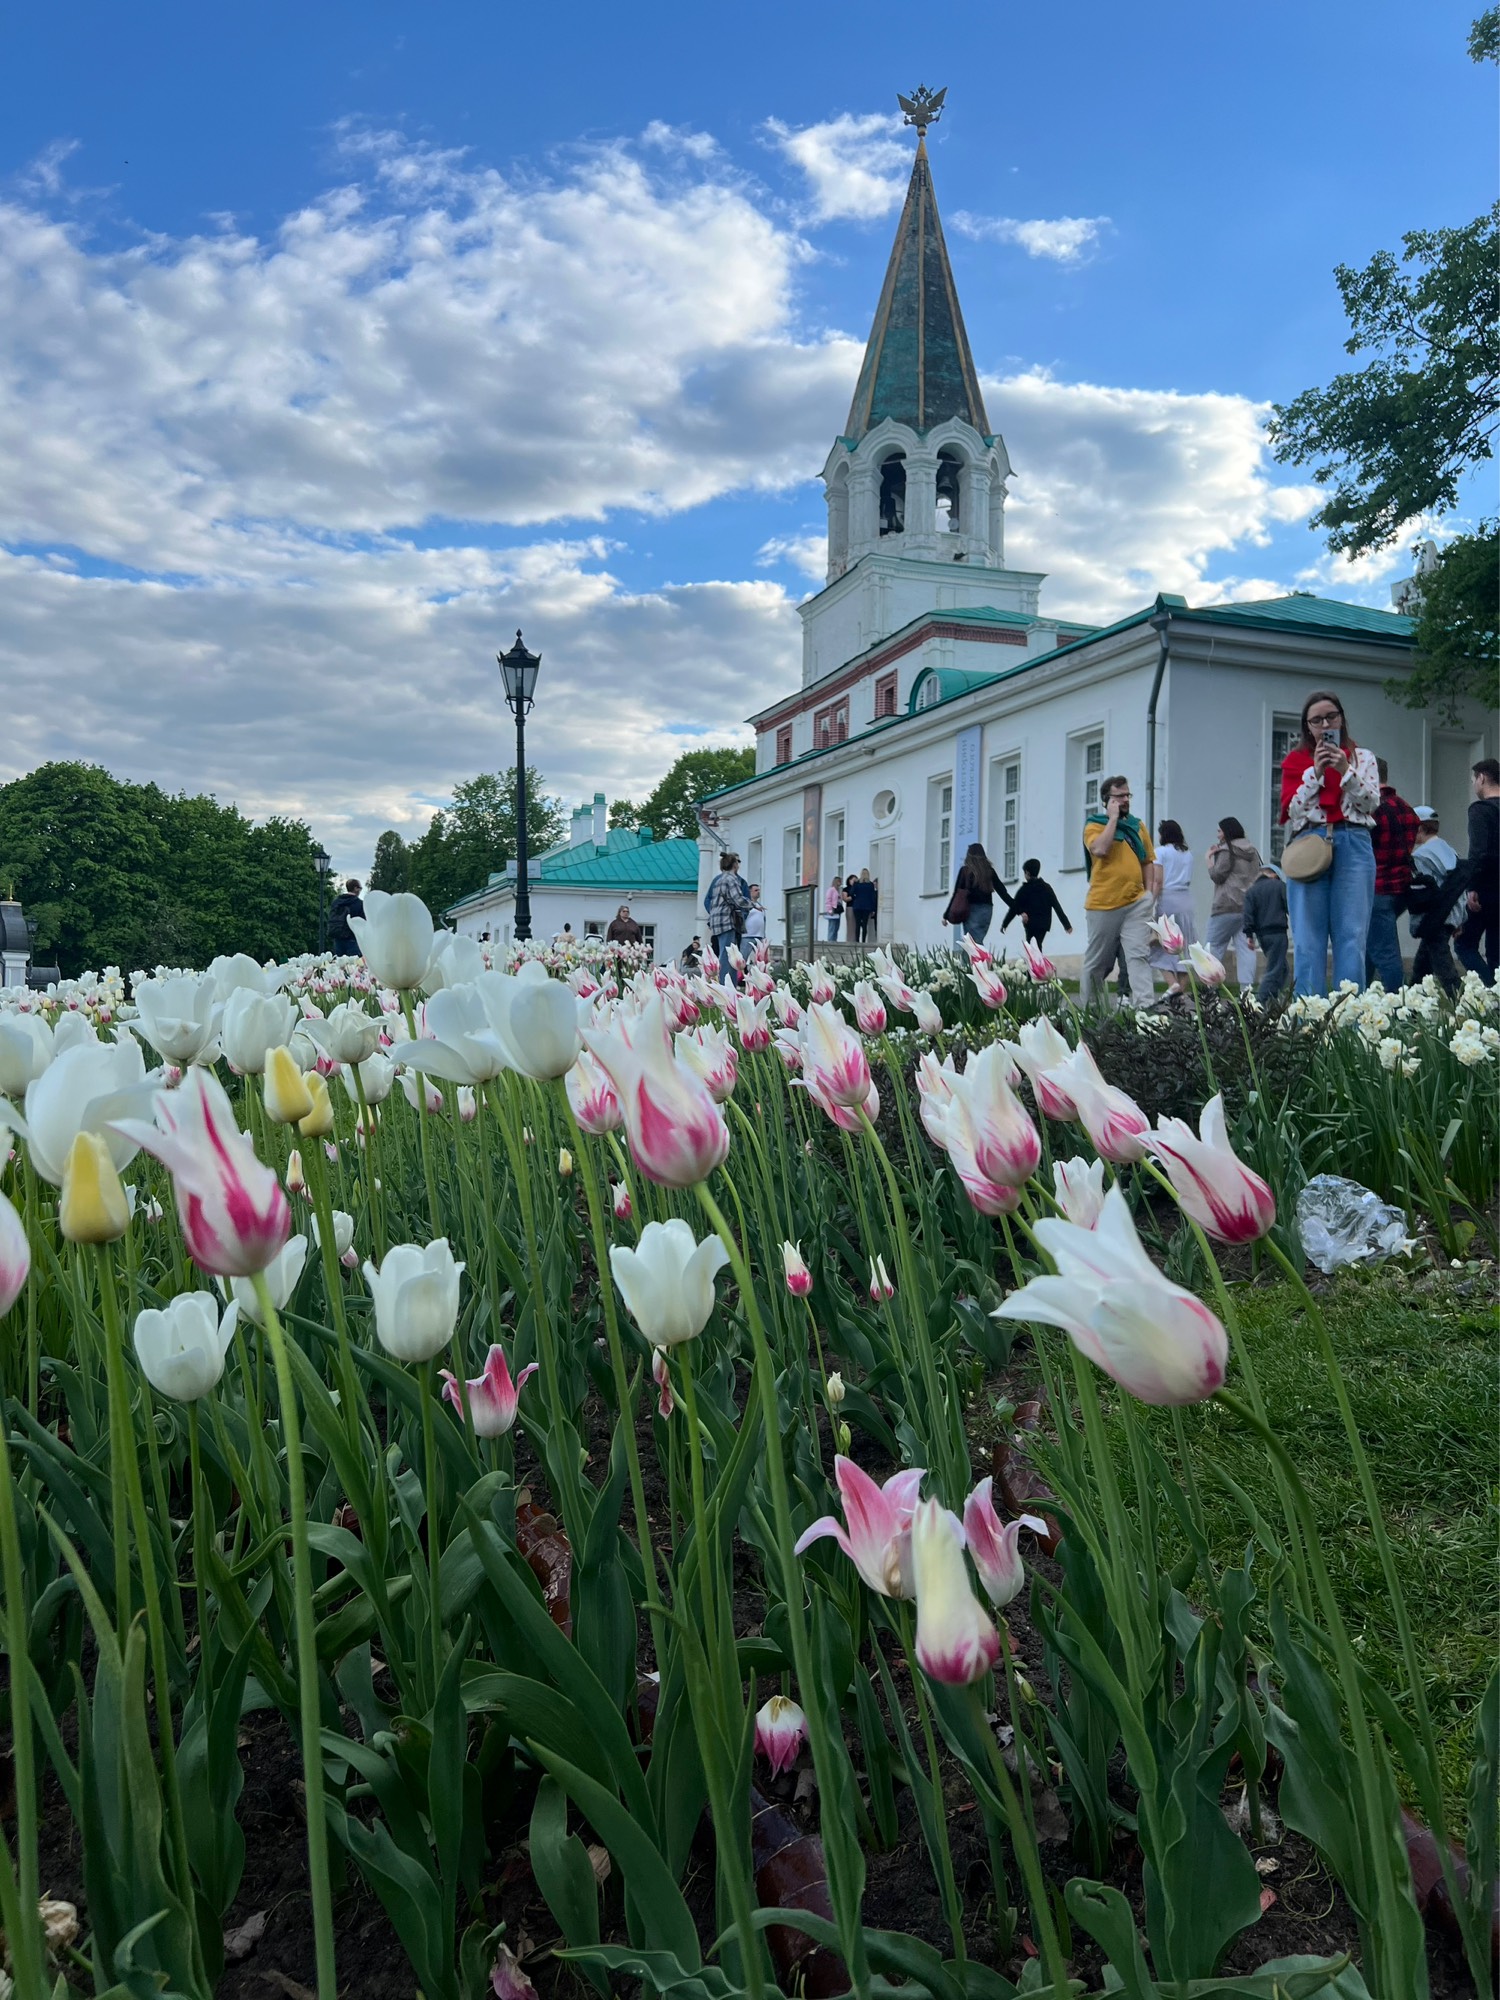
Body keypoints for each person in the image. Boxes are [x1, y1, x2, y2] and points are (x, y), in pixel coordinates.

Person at [1279, 691, 1379, 997]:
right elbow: (1292, 812)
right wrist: (1316, 773)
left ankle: (1347, 1024)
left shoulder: (1363, 758)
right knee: (1308, 940)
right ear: (1307, 726)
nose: (1325, 724)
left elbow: (1372, 803)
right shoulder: (1296, 762)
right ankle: (1308, 1023)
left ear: (1342, 719)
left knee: (1351, 937)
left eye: (1331, 717)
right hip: (1310, 843)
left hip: (1354, 842)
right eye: (1317, 720)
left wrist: (1344, 771)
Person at [1080, 776, 1159, 1009]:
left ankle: (1145, 1010)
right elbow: (1101, 849)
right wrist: (1113, 819)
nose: (1125, 800)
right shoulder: (1094, 825)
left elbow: (1147, 861)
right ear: (1107, 800)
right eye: (1119, 796)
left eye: (1127, 795)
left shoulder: (1137, 826)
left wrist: (1149, 896)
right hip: (1103, 904)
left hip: (1136, 903)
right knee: (1098, 964)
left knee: (1138, 956)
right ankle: (1090, 1011)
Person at [1366, 759, 1419, 991]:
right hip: (1400, 889)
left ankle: (1396, 1004)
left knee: (1386, 954)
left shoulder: (1372, 810)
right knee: (1370, 947)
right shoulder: (1406, 808)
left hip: (1377, 888)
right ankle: (1359, 996)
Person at [1407, 810, 1465, 994]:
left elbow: (1422, 893)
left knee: (1443, 965)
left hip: (1434, 918)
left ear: (1421, 828)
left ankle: (1459, 1001)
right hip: (1450, 915)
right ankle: (1411, 1010)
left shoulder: (1421, 855)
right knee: (1422, 966)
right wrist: (1459, 918)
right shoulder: (1449, 850)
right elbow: (1459, 887)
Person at [1205, 817, 1263, 990]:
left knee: (1213, 946)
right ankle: (1247, 990)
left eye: (1219, 831)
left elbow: (1218, 875)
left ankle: (1211, 990)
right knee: (1246, 948)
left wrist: (1208, 859)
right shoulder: (1252, 851)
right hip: (1247, 907)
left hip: (1225, 906)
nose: (1217, 835)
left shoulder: (1226, 850)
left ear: (1227, 832)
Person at [1455, 757, 1500, 981]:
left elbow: (1479, 851)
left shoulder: (1480, 810)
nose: (1474, 784)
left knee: (1464, 944)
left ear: (1482, 778)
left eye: (1474, 779)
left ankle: (1490, 991)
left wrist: (1472, 887)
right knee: (1497, 952)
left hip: (1486, 888)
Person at [1149, 819, 1196, 996]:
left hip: (1168, 899)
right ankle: (1180, 991)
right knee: (1185, 945)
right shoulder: (1188, 854)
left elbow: (1158, 881)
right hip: (1186, 899)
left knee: (1162, 944)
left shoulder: (1160, 852)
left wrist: (1150, 902)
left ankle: (1172, 984)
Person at [944, 842, 1010, 948]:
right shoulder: (989, 871)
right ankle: (978, 963)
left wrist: (946, 915)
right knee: (977, 941)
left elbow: (957, 893)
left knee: (972, 944)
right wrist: (1016, 907)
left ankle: (974, 964)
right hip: (987, 910)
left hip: (971, 910)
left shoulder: (965, 871)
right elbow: (1002, 891)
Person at [1242, 864, 1290, 1002]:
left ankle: (1272, 997)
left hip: (1263, 936)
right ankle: (1261, 1002)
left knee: (1283, 968)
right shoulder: (1279, 886)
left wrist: (1249, 935)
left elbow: (1248, 914)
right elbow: (1289, 906)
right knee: (1274, 969)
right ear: (1274, 875)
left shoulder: (1251, 891)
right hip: (1278, 933)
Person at [1001, 859, 1073, 948]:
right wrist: (1066, 924)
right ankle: (1038, 961)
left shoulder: (1024, 890)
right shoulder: (1046, 888)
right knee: (1037, 946)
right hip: (1043, 924)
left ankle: (1037, 962)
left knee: (1032, 948)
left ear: (1027, 872)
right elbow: (1057, 906)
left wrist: (1005, 923)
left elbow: (1014, 908)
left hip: (1030, 923)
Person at [706, 853, 749, 982]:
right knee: (729, 955)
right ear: (735, 864)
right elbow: (739, 899)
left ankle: (727, 984)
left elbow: (711, 900)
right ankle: (727, 987)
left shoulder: (719, 880)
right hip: (727, 921)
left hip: (718, 921)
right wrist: (753, 905)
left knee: (727, 954)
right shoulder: (732, 879)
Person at [328, 878, 364, 956]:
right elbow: (363, 922)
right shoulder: (359, 903)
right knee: (354, 965)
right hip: (352, 938)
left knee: (339, 965)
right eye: (360, 888)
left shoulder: (336, 902)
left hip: (337, 937)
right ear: (355, 888)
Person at [852, 869, 879, 944]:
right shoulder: (870, 884)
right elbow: (872, 897)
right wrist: (873, 909)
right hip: (867, 906)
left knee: (857, 924)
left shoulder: (856, 884)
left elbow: (852, 893)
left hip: (857, 906)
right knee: (864, 924)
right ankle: (863, 941)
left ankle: (857, 941)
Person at [823, 877, 844, 942]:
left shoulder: (838, 890)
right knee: (832, 926)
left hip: (838, 909)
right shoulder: (831, 890)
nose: (840, 883)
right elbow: (828, 900)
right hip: (833, 909)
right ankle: (830, 940)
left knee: (836, 927)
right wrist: (829, 910)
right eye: (839, 881)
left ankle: (834, 940)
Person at [843, 873, 859, 942]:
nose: (854, 882)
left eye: (856, 880)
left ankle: (855, 939)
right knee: (850, 925)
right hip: (850, 907)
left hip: (857, 907)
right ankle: (850, 940)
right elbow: (845, 898)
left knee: (856, 925)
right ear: (849, 880)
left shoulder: (857, 888)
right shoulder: (846, 889)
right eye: (853, 880)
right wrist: (852, 897)